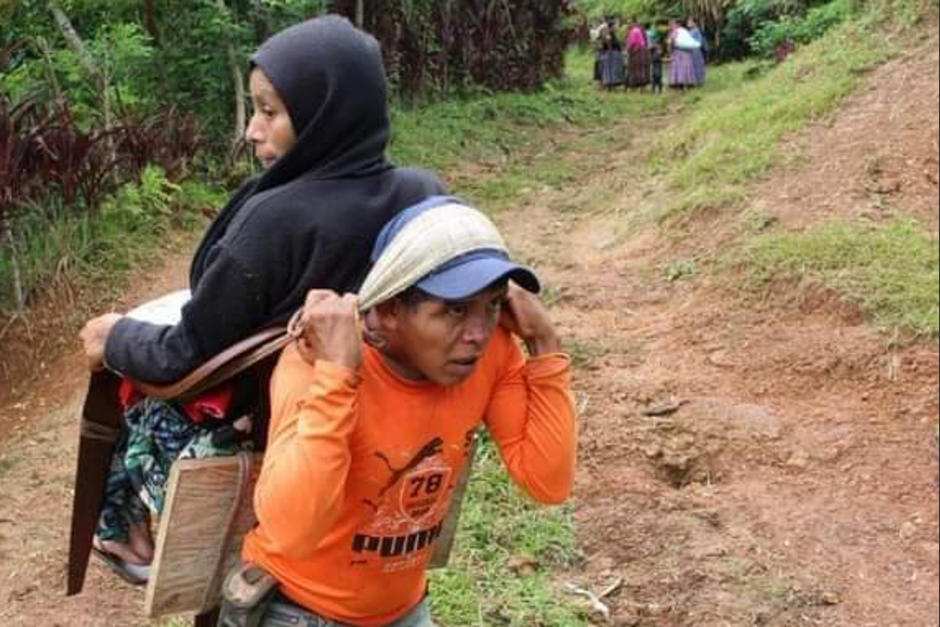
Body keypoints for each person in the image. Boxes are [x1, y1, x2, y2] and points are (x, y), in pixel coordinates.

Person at [78, 15, 447, 583]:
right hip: (385, 421)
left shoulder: (277, 220)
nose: (252, 130)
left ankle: (122, 531)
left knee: (121, 374)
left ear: (325, 113)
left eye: (270, 112)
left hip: (268, 429)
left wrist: (114, 336)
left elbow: (185, 354)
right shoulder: (422, 194)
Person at [236, 197, 577, 626]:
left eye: (492, 304)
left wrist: (545, 343)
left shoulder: (490, 355)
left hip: (405, 611)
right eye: (455, 309)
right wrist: (338, 376)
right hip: (296, 609)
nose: (478, 333)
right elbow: (292, 533)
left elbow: (548, 482)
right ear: (390, 309)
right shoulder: (319, 362)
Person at [667, 19, 699, 90]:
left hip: (678, 52)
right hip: (687, 52)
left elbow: (671, 43)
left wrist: (669, 51)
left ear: (676, 25)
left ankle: (679, 83)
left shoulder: (675, 32)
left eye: (671, 24)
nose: (670, 26)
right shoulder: (685, 31)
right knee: (687, 67)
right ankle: (688, 83)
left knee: (679, 67)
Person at [597, 15, 625, 90]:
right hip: (610, 54)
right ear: (611, 27)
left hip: (614, 54)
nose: (616, 27)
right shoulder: (608, 34)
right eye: (615, 26)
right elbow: (608, 43)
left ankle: (612, 85)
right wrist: (610, 52)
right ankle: (609, 86)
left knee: (614, 70)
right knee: (609, 71)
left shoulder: (613, 34)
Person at [625, 19, 651, 90]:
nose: (628, 25)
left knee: (635, 69)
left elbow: (632, 42)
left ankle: (636, 85)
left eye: (629, 23)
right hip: (643, 51)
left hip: (636, 51)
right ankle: (642, 86)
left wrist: (628, 49)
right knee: (642, 69)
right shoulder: (640, 31)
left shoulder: (634, 31)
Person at [686, 17, 708, 86]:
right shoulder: (690, 31)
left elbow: (699, 41)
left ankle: (699, 81)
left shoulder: (696, 30)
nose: (688, 23)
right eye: (688, 22)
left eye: (690, 22)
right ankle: (693, 80)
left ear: (694, 23)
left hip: (695, 50)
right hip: (691, 49)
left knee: (697, 65)